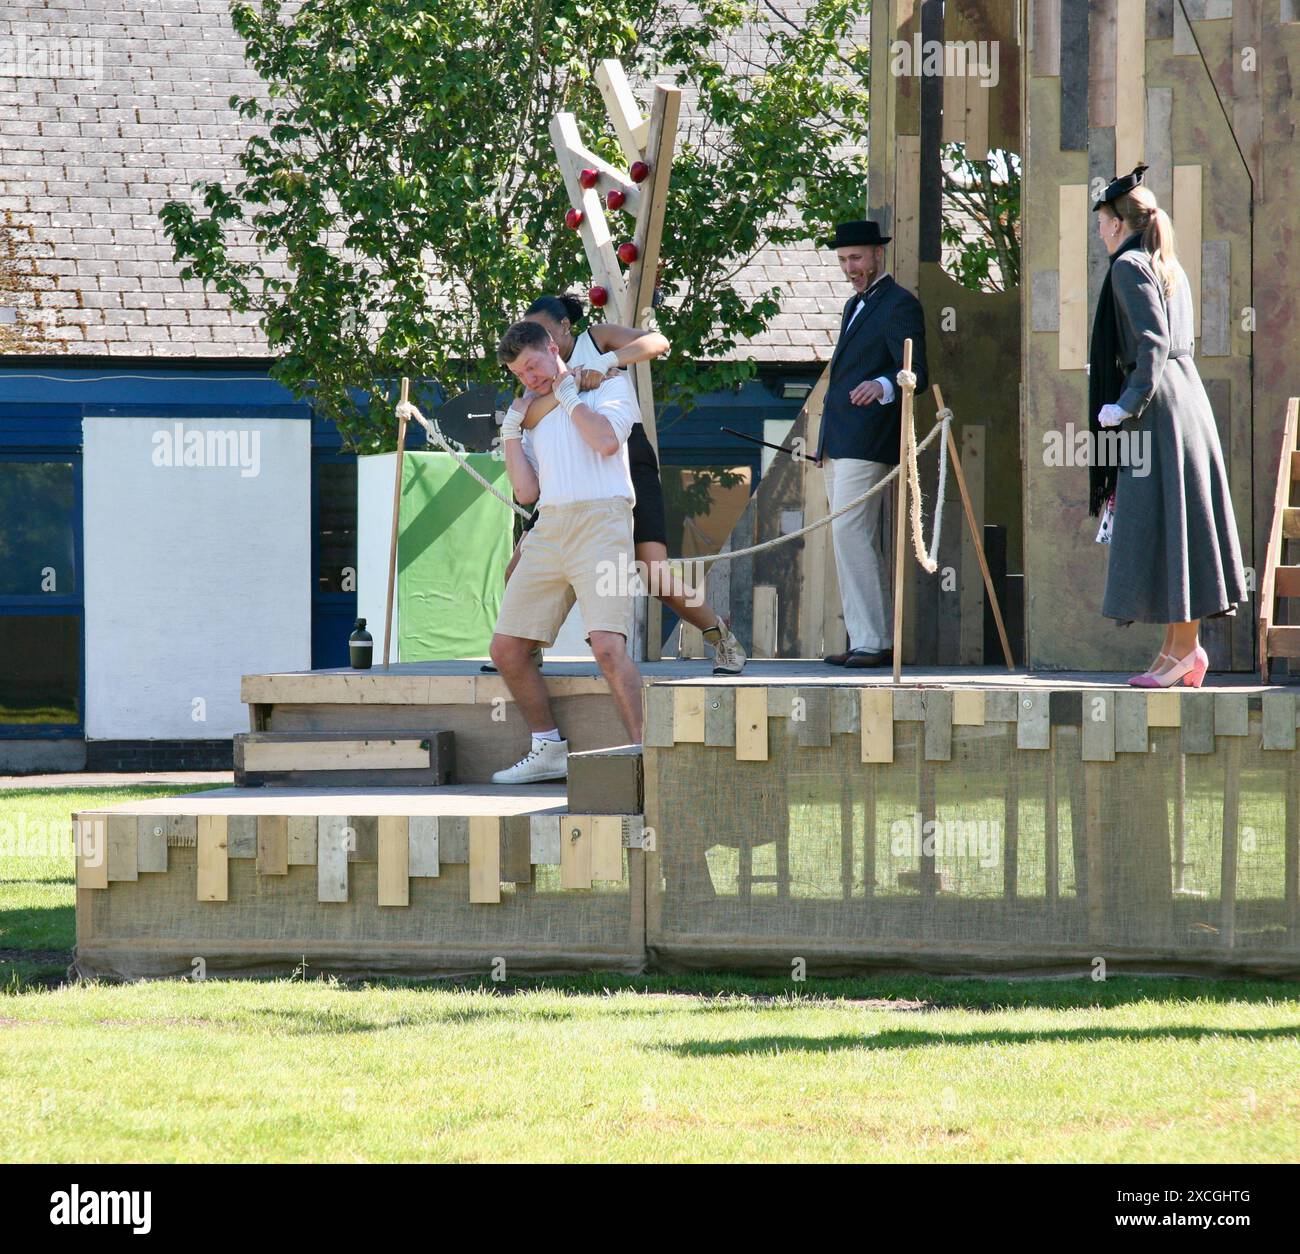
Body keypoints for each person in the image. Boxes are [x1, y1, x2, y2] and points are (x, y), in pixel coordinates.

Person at [498, 293, 746, 675]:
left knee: (654, 572)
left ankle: (721, 638)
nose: (537, 344)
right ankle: (523, 652)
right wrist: (573, 383)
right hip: (569, 481)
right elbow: (529, 419)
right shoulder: (535, 378)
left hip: (624, 459)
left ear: (563, 330)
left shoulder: (595, 339)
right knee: (517, 565)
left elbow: (657, 342)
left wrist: (604, 361)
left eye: (543, 333)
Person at [1087, 164, 1247, 688]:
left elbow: (1152, 343)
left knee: (1168, 521)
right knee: (1179, 525)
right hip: (1184, 398)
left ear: (1115, 223)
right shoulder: (1165, 264)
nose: (1099, 230)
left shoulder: (1128, 266)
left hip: (1158, 408)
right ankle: (1181, 650)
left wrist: (1126, 402)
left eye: (1101, 220)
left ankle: (1183, 651)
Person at [488, 319, 643, 783]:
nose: (531, 379)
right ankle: (547, 747)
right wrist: (513, 431)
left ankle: (647, 754)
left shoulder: (608, 384)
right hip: (551, 524)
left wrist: (571, 397)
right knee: (506, 648)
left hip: (604, 518)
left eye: (534, 366)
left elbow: (605, 441)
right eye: (521, 375)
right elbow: (526, 492)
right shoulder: (532, 413)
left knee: (607, 646)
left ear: (553, 347)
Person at [814, 219, 928, 668]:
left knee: (850, 532)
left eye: (856, 257)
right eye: (843, 260)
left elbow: (918, 371)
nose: (850, 267)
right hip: (839, 439)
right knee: (847, 537)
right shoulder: (852, 306)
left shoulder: (901, 304)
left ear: (878, 255)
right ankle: (866, 637)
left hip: (868, 438)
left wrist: (882, 385)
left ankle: (874, 641)